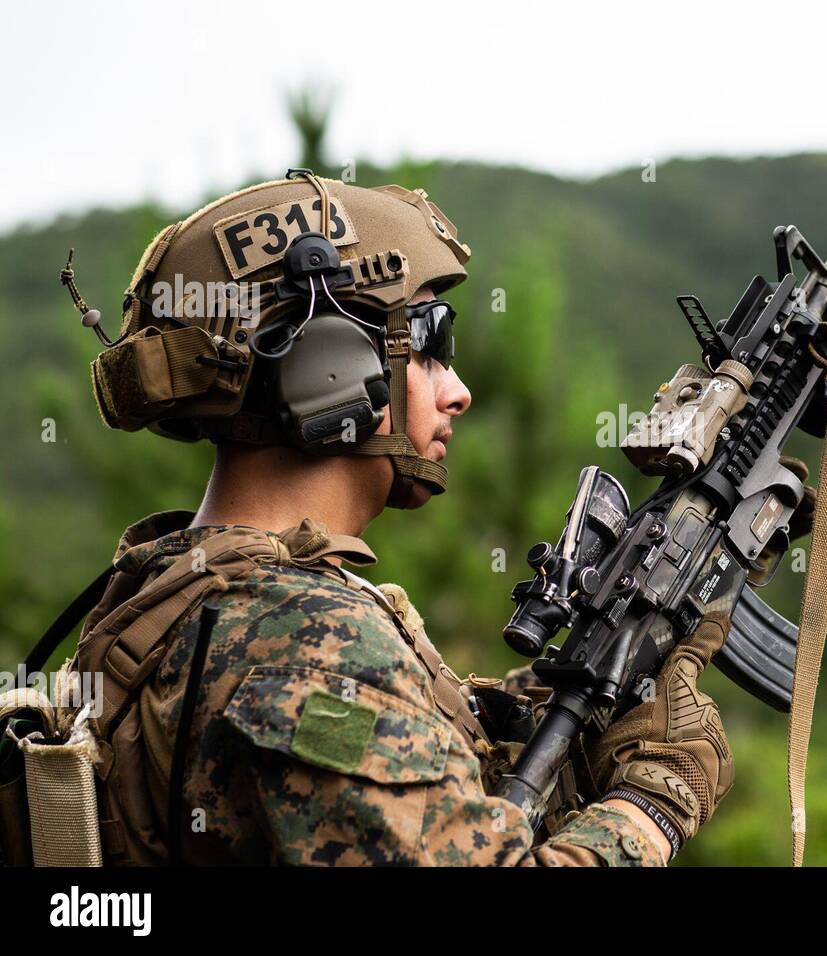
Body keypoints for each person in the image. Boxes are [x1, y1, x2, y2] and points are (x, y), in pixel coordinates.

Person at [62, 173, 733, 866]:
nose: (458, 391)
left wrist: (562, 696)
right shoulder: (306, 641)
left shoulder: (173, 593)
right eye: (430, 341)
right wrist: (653, 803)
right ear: (327, 363)